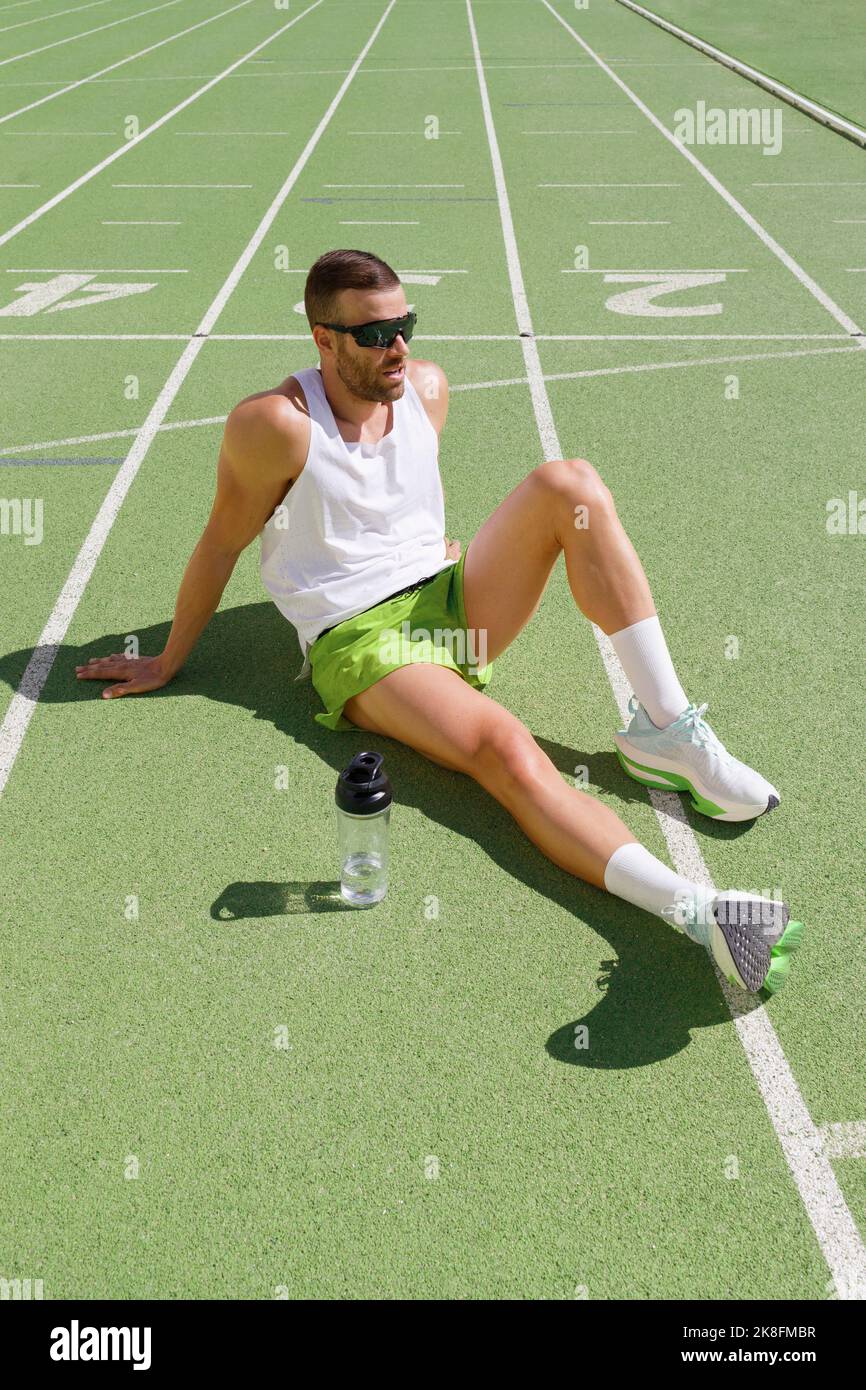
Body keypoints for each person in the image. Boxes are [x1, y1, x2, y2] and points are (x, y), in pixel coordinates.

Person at [76, 248, 802, 995]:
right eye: (373, 334)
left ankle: (666, 729)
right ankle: (698, 912)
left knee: (569, 483)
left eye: (405, 324)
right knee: (506, 745)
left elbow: (393, 492)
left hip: (448, 600)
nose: (398, 348)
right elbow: (222, 540)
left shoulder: (425, 388)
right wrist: (167, 659)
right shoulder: (274, 426)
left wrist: (427, 550)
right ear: (323, 339)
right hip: (363, 640)